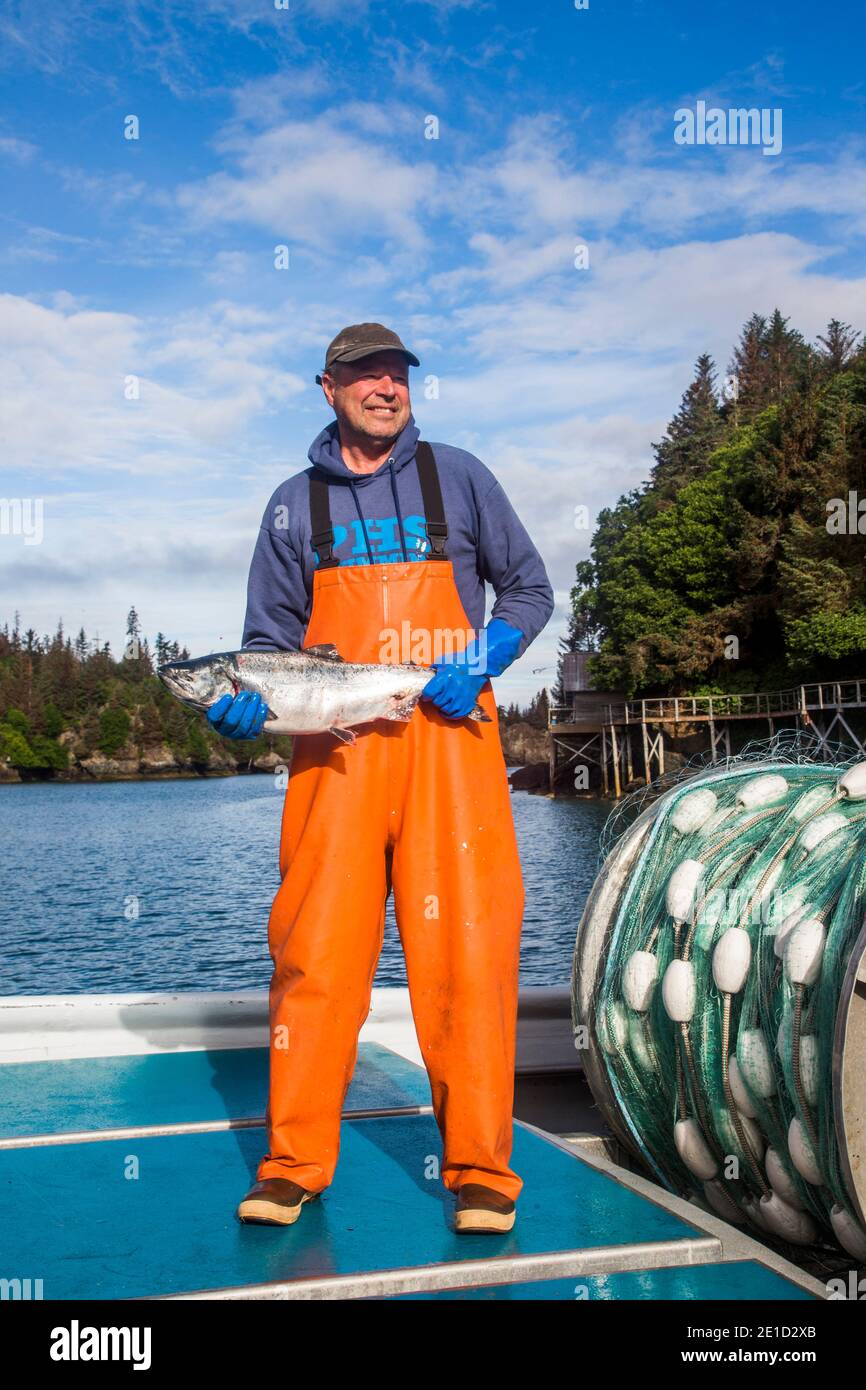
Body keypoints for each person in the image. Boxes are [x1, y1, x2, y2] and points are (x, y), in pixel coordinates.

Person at [213, 322, 553, 1233]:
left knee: (469, 961)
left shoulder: (462, 476)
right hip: (336, 762)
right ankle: (293, 1164)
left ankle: (480, 1170)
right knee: (315, 957)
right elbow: (264, 648)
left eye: (396, 375)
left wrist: (484, 656)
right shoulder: (293, 506)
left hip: (453, 749)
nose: (384, 388)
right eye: (364, 375)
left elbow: (530, 591)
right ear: (327, 388)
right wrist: (248, 705)